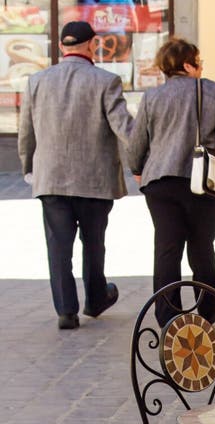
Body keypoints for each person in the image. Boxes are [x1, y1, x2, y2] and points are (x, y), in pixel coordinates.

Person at [18, 20, 133, 330]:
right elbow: (125, 128)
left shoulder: (37, 80)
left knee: (58, 246)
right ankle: (95, 300)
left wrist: (29, 167)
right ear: (92, 45)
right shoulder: (106, 81)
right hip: (94, 179)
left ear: (61, 47)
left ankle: (66, 311)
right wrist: (145, 156)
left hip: (51, 178)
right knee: (94, 243)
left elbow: (26, 131)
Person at [127, 37, 215, 327]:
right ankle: (209, 308)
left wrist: (138, 169)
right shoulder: (213, 92)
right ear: (188, 64)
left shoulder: (152, 97)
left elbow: (136, 142)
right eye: (199, 62)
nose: (201, 67)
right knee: (202, 245)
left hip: (160, 183)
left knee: (166, 249)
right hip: (203, 182)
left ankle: (167, 317)